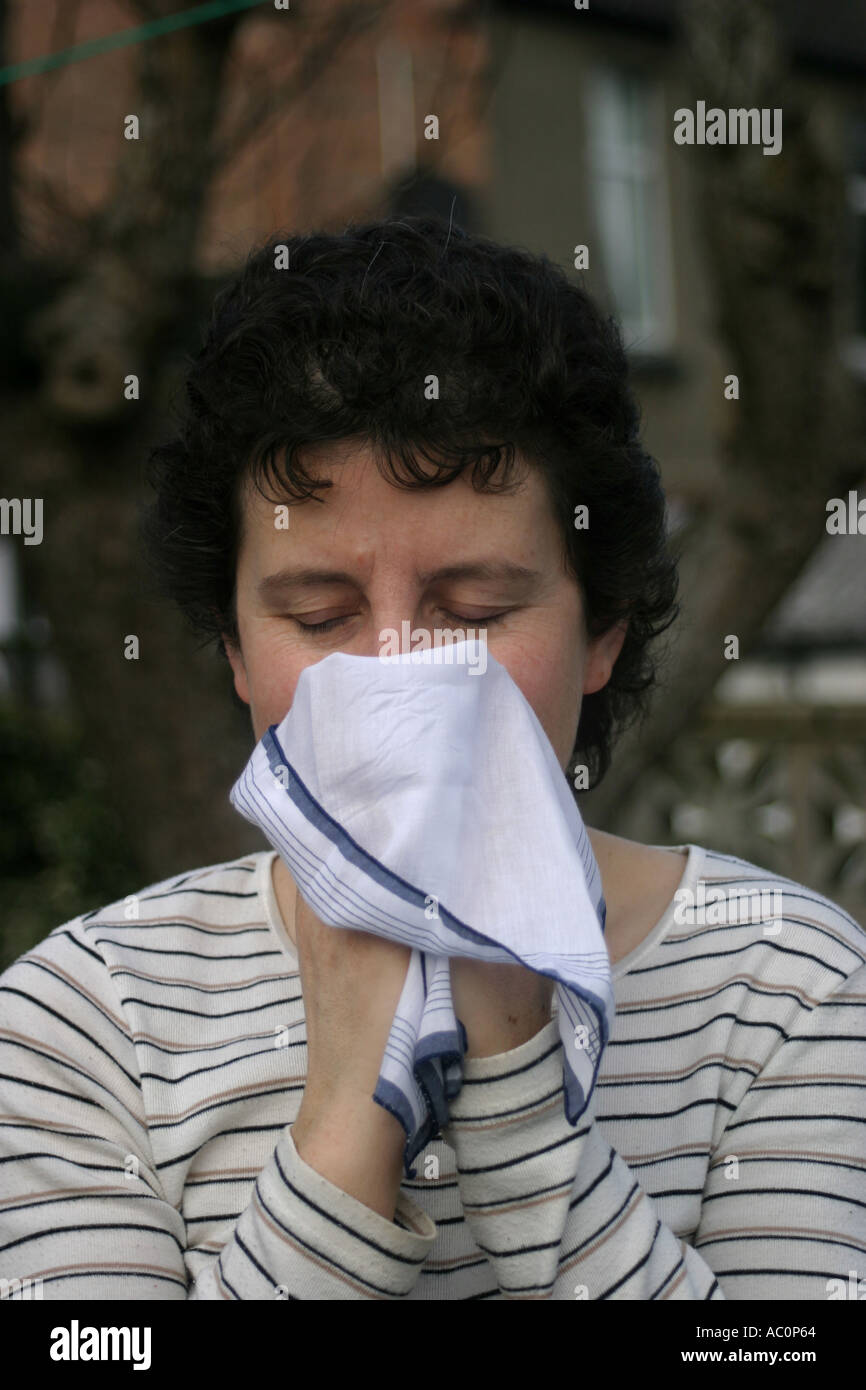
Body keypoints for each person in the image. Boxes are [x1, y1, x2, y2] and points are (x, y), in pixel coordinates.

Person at [1, 216, 863, 1301]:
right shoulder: (85, 1023)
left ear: (601, 633)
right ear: (235, 651)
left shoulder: (783, 990)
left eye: (471, 610)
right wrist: (344, 1115)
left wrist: (515, 1088)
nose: (398, 673)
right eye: (319, 614)